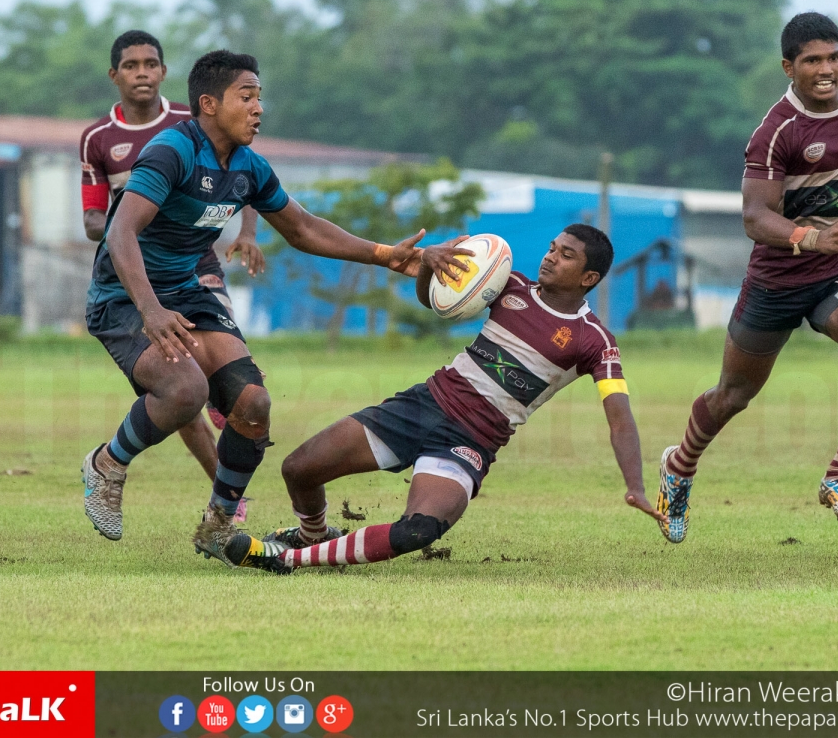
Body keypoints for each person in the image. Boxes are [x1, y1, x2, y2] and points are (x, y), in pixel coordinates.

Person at [80, 49, 464, 566]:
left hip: (185, 290)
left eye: (260, 96)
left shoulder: (248, 166)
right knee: (186, 389)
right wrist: (150, 311)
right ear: (209, 104)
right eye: (247, 96)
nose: (259, 107)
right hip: (124, 296)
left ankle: (217, 524)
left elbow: (303, 228)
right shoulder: (171, 151)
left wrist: (388, 254)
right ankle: (108, 463)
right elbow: (120, 231)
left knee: (252, 404)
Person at [655, 12, 838, 543]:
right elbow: (755, 218)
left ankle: (837, 476)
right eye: (812, 60)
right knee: (733, 395)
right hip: (775, 280)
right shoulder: (776, 132)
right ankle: (679, 466)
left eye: (833, 57)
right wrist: (811, 237)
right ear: (788, 68)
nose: (826, 69)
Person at [240, 225, 666, 575]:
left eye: (567, 255)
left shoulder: (595, 341)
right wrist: (428, 265)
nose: (551, 256)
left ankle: (287, 558)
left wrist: (634, 486)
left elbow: (620, 419)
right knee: (298, 469)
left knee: (419, 530)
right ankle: (315, 537)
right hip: (422, 405)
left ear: (589, 278)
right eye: (552, 247)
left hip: (471, 441)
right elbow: (434, 300)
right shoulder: (505, 283)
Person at [79, 30, 264, 521]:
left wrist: (247, 231)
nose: (142, 72)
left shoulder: (201, 121)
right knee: (182, 392)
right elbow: (98, 221)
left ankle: (224, 508)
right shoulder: (100, 139)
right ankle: (210, 483)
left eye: (151, 64)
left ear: (163, 72)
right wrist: (132, 209)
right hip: (136, 266)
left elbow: (251, 186)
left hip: (194, 265)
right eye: (132, 65)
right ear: (115, 75)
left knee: (239, 394)